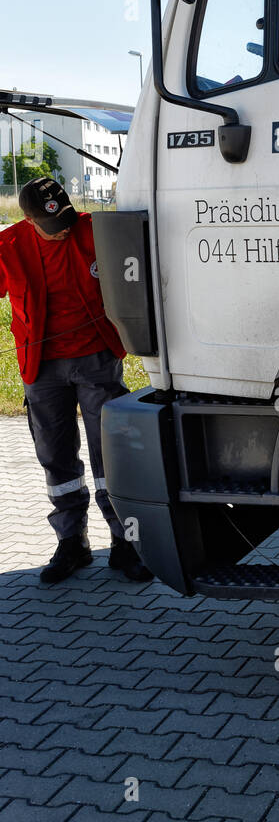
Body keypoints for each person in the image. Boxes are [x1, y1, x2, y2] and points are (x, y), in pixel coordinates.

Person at [0, 177, 152, 584]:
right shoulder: (9, 246)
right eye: (50, 225)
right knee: (56, 457)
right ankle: (72, 544)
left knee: (112, 456)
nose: (62, 228)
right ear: (28, 220)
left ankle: (125, 543)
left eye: (65, 218)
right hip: (42, 368)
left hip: (97, 360)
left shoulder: (92, 231)